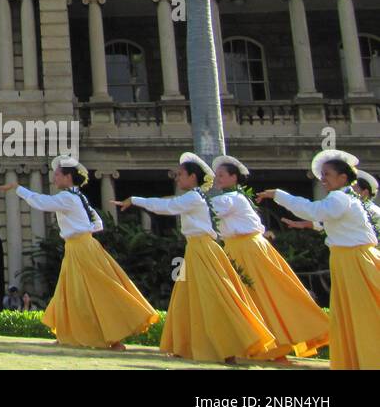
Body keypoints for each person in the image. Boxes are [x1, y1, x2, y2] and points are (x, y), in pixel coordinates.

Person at [116, 152, 274, 363]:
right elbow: (170, 204)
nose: (177, 178)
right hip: (196, 250)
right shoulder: (196, 197)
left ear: (193, 177)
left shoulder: (194, 197)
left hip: (204, 250)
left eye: (181, 174)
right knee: (188, 297)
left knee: (214, 297)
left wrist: (135, 199)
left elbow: (168, 207)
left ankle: (227, 348)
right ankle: (188, 345)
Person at [0, 155, 156, 350]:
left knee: (94, 291)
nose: (54, 178)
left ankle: (112, 338)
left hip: (81, 249)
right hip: (81, 246)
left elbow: (42, 202)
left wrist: (17, 188)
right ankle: (69, 334)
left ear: (67, 177)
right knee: (71, 292)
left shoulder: (67, 198)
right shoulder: (79, 198)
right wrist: (83, 231)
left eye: (57, 174)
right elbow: (98, 224)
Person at [256, 149, 380, 369]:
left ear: (342, 178)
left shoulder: (340, 197)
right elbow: (325, 220)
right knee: (356, 312)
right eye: (322, 175)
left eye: (327, 175)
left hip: (354, 261)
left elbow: (314, 211)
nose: (322, 179)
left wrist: (280, 195)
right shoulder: (346, 199)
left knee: (362, 312)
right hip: (349, 260)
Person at [209, 154, 329, 361]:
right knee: (250, 297)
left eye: (221, 175)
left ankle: (272, 345)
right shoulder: (231, 198)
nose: (217, 178)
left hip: (248, 250)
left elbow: (207, 209)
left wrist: (190, 198)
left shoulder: (232, 199)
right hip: (238, 249)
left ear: (234, 178)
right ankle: (259, 344)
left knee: (261, 296)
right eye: (216, 175)